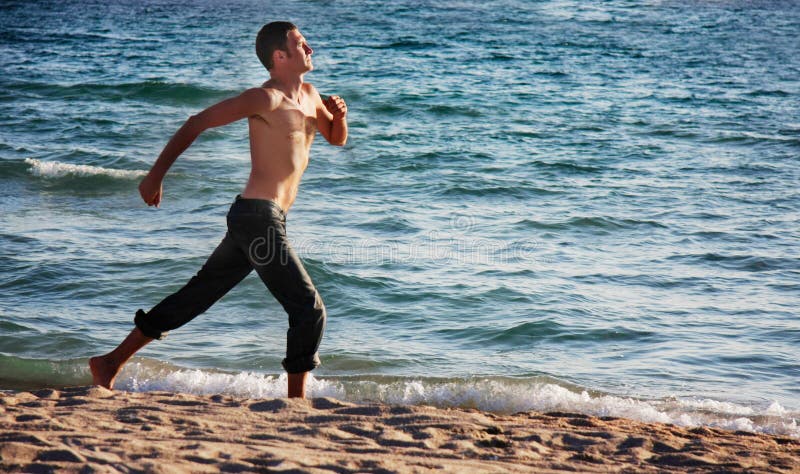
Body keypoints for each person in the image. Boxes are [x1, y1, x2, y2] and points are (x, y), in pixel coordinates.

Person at [89, 21, 347, 398]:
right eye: (301, 43)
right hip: (258, 218)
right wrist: (155, 176)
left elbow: (335, 139)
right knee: (308, 308)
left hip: (260, 219)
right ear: (280, 56)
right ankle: (296, 402)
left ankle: (110, 362)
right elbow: (197, 123)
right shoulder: (265, 99)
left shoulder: (310, 95)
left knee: (196, 296)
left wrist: (339, 116)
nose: (311, 48)